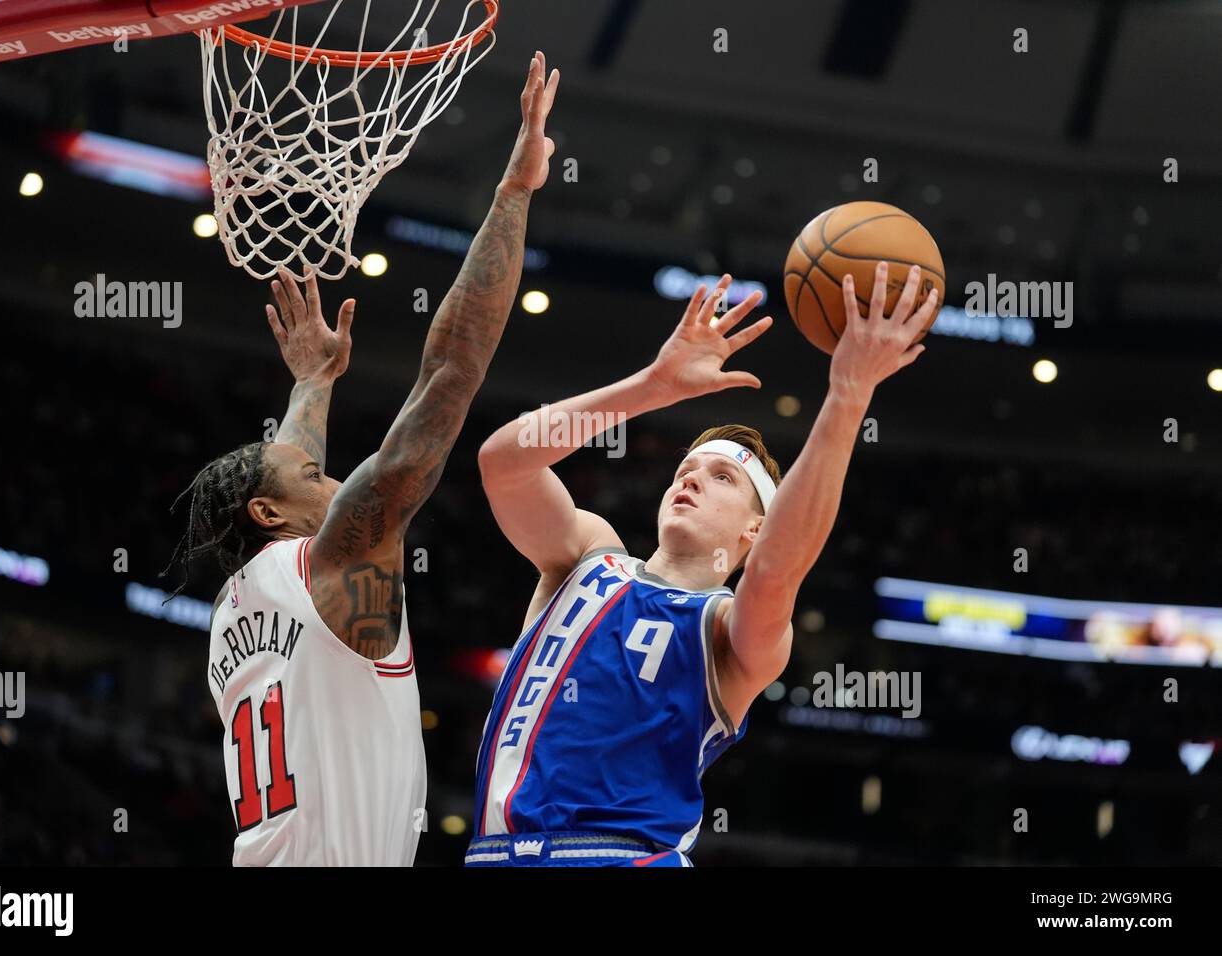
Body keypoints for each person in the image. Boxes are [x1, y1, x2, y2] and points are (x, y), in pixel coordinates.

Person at [162, 52, 561, 865]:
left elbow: (285, 467)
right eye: (317, 475)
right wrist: (513, 196)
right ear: (270, 514)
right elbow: (450, 372)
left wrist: (313, 381)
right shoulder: (339, 558)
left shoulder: (240, 604)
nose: (333, 474)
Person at [468, 262, 938, 866]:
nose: (690, 480)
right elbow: (503, 465)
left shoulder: (730, 631)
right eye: (685, 471)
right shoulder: (587, 555)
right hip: (495, 855)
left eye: (721, 478)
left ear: (755, 526)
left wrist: (848, 395)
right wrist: (653, 387)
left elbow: (776, 571)